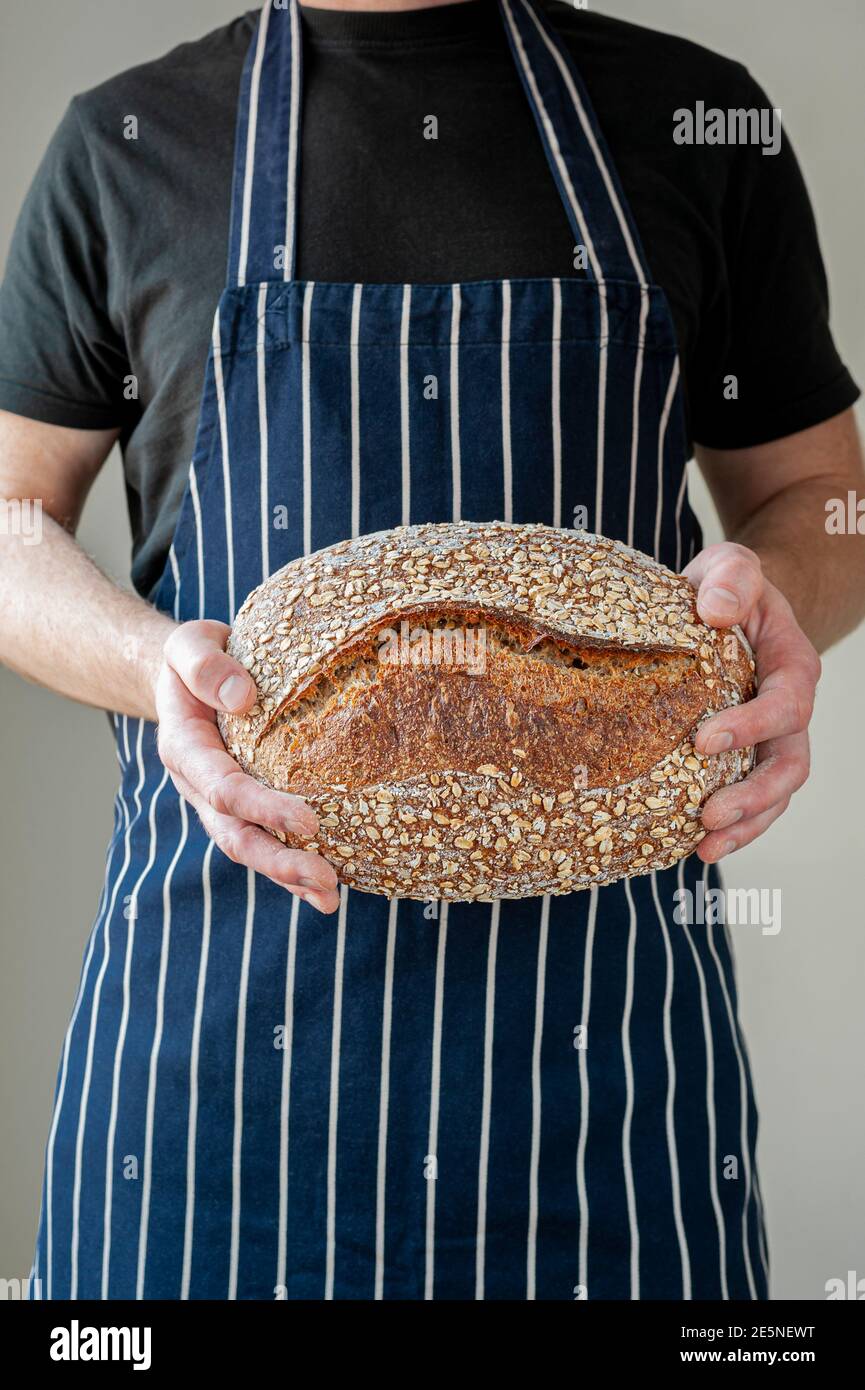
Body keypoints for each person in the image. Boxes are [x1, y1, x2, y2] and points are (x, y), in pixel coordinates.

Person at [1, 0, 863, 1301]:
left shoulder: (689, 120)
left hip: (601, 1083)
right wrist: (151, 663)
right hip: (214, 1059)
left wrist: (776, 598)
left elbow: (824, 502)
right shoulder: (127, 143)